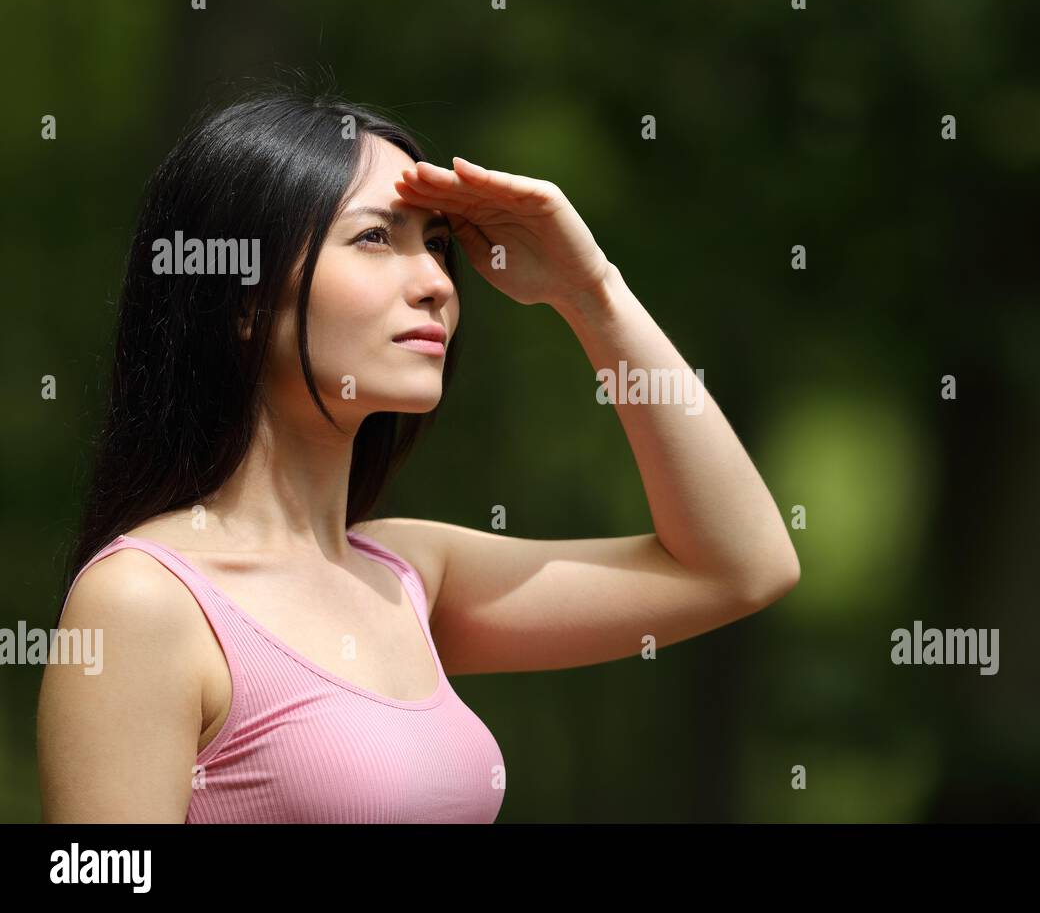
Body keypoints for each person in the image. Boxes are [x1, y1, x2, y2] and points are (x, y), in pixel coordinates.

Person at [36, 88, 800, 823]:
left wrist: (591, 291)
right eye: (376, 238)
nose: (436, 282)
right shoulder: (146, 602)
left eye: (436, 245)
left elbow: (739, 566)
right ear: (244, 303)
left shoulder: (408, 578)